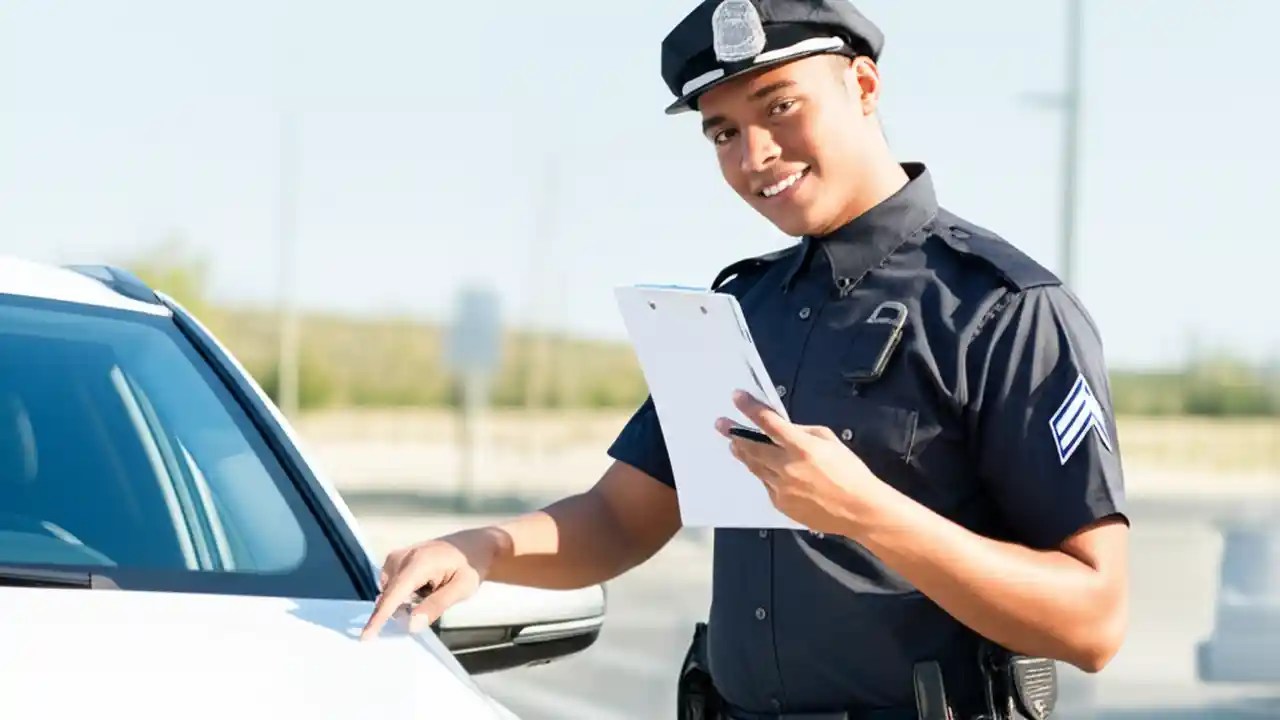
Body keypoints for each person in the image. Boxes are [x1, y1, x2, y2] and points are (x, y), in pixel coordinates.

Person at [363, 1, 1130, 717]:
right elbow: (619, 518)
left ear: (862, 86)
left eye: (780, 107)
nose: (755, 155)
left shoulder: (1002, 309)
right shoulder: (740, 311)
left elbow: (1092, 622)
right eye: (724, 132)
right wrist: (482, 549)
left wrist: (866, 513)